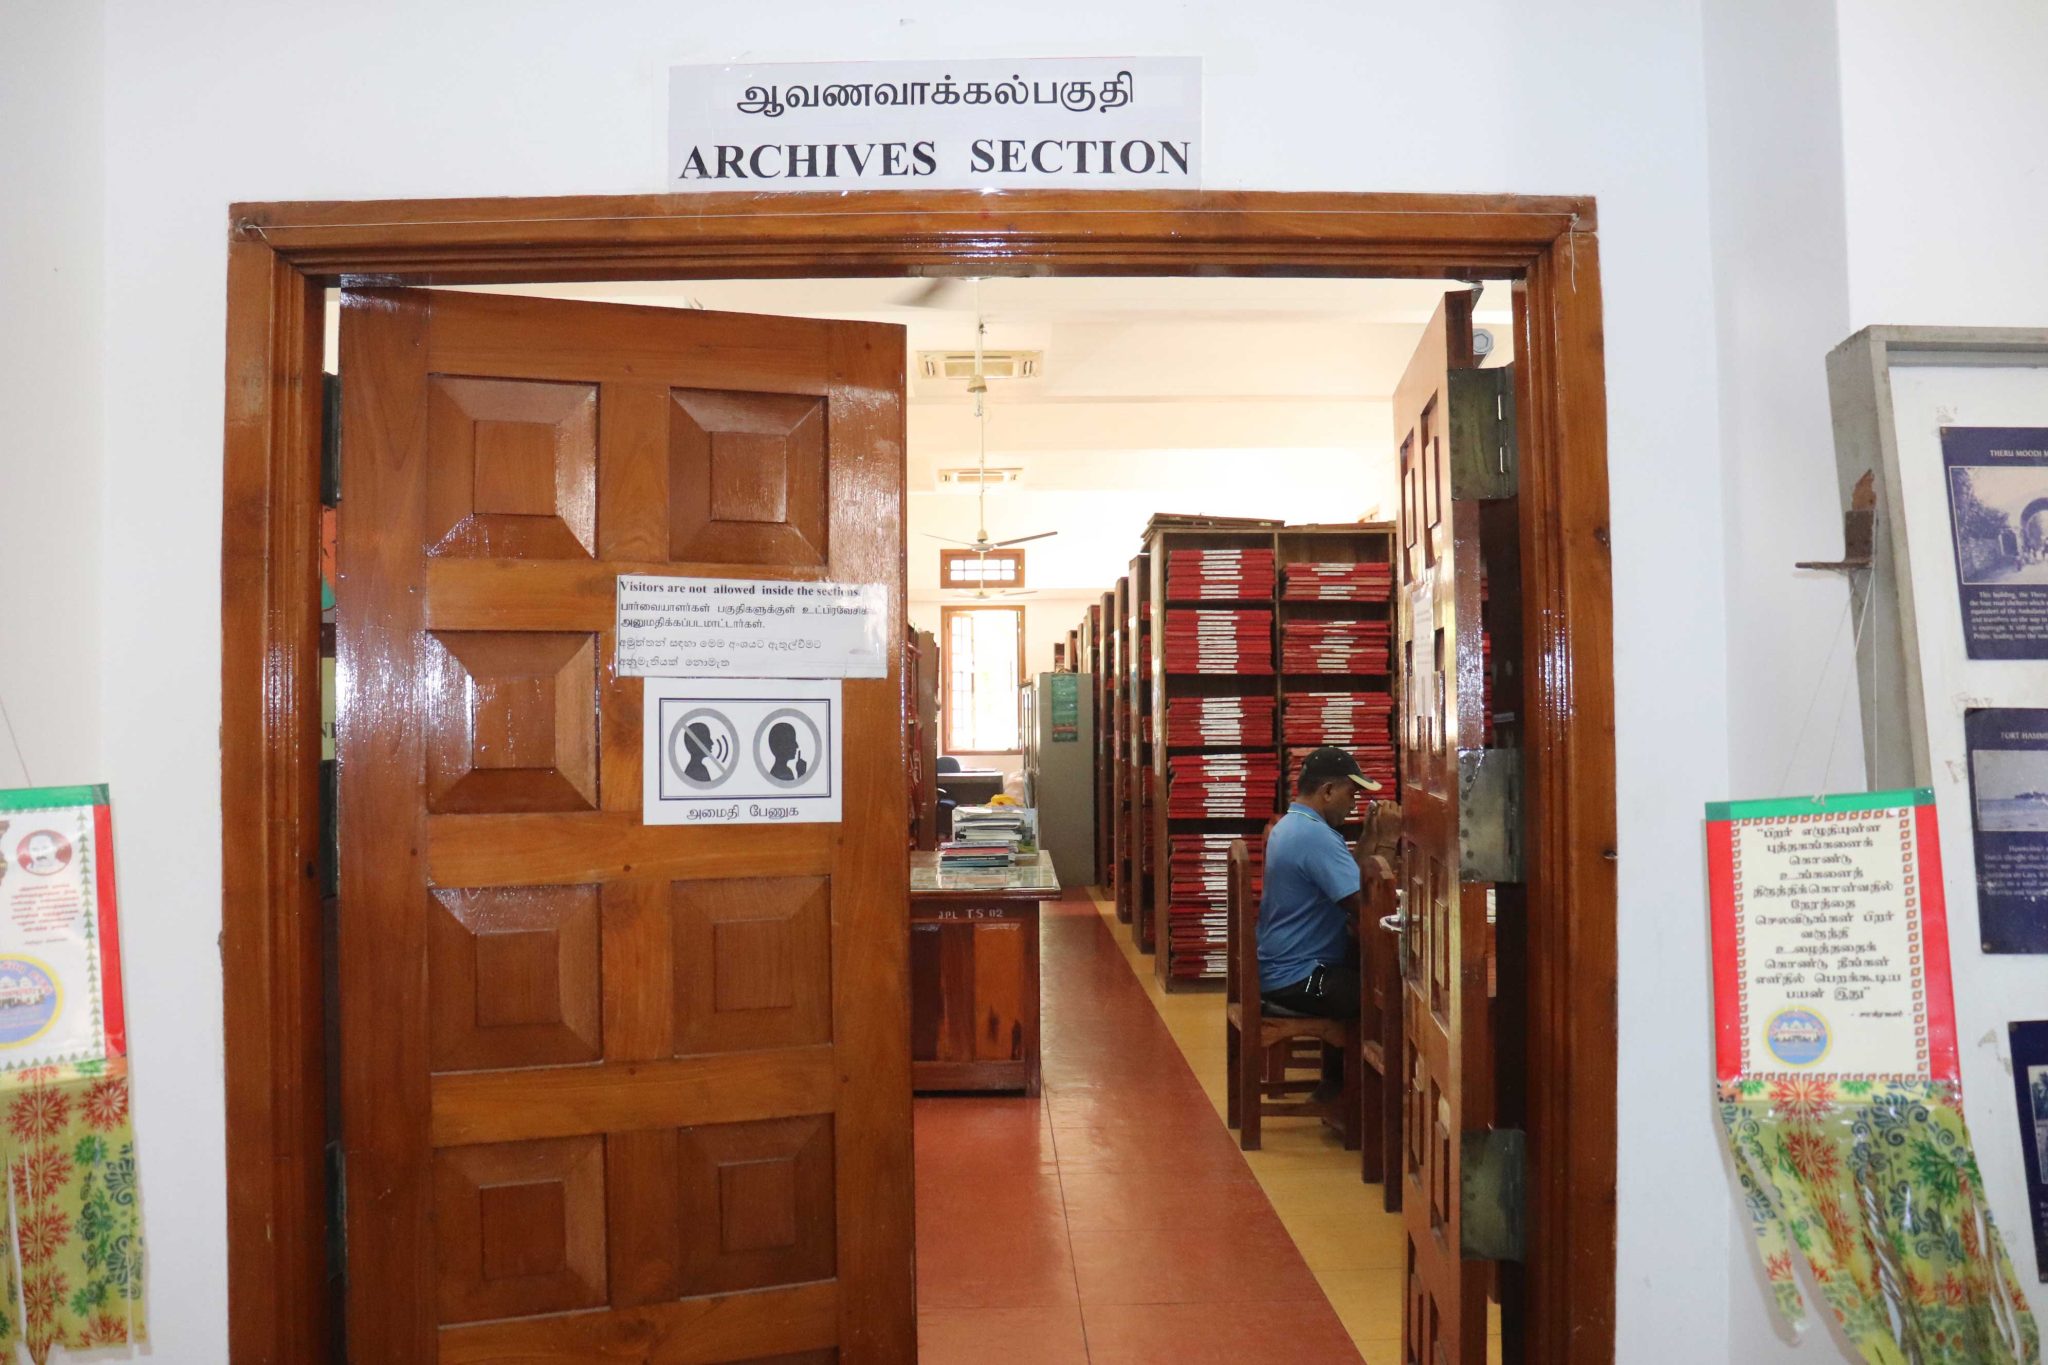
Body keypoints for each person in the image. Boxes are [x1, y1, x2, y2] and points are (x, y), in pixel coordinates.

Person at [1258, 747, 1381, 1098]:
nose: (1354, 803)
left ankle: (1336, 1086)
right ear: (1327, 791)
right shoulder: (1316, 837)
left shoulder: (1294, 825)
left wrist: (1371, 837)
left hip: (1284, 970)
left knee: (1359, 981)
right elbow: (1367, 906)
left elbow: (1347, 880)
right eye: (1351, 793)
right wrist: (1386, 842)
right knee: (1378, 996)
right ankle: (1362, 1102)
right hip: (1303, 981)